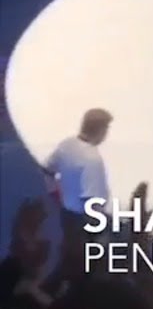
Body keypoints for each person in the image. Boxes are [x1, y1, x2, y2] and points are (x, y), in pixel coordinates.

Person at [42, 108, 113, 286]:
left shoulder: (67, 145)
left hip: (67, 214)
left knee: (70, 259)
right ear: (100, 129)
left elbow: (47, 170)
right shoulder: (92, 159)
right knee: (90, 269)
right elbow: (92, 201)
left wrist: (55, 194)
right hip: (86, 221)